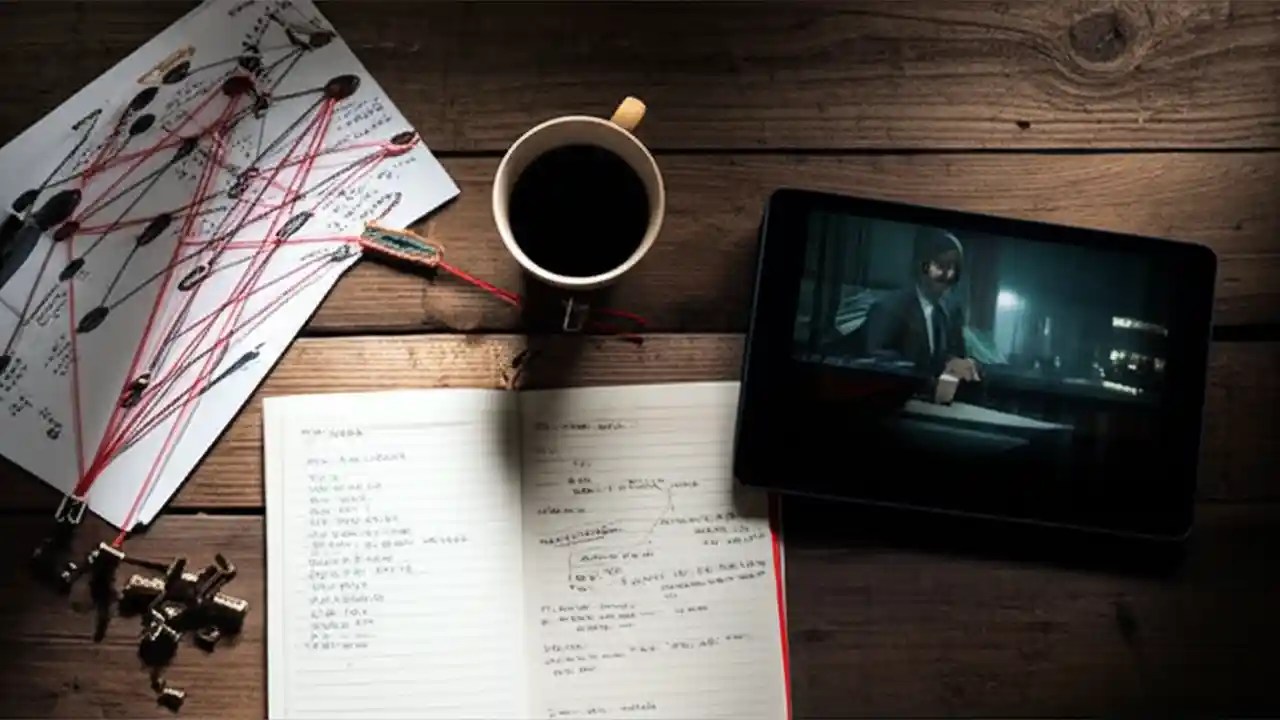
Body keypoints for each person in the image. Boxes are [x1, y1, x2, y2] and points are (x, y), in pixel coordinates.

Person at [828, 226, 981, 384]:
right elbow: (876, 364)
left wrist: (960, 364)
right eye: (941, 266)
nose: (949, 275)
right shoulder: (888, 309)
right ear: (921, 266)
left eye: (954, 269)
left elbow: (955, 356)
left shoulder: (948, 314)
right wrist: (940, 369)